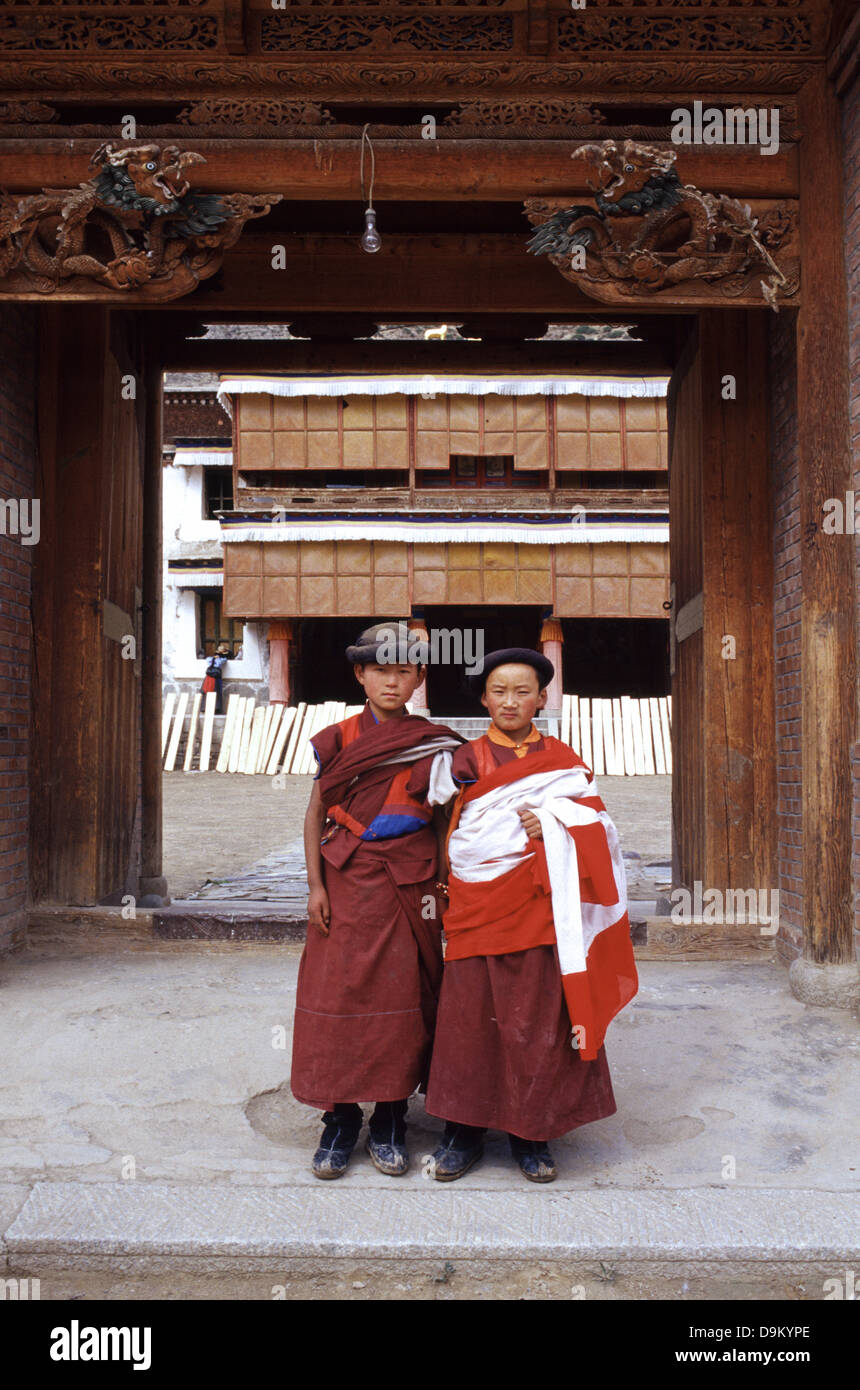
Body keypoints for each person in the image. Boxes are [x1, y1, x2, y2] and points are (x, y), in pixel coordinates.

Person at [425, 647, 638, 1183]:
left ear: (542, 699)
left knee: (537, 1019)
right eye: (499, 691)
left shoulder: (563, 761)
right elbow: (439, 828)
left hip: (542, 906)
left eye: (523, 691)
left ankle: (532, 1132)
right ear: (483, 698)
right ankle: (461, 1131)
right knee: (469, 1019)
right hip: (476, 902)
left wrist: (557, 821)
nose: (510, 701)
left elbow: (602, 826)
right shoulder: (463, 760)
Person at [290, 621, 462, 1180]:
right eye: (379, 670)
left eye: (403, 671)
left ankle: (391, 1119)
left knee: (403, 998)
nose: (392, 681)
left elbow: (441, 822)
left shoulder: (433, 742)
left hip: (409, 882)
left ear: (418, 677)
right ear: (360, 674)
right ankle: (338, 1120)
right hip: (345, 878)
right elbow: (316, 815)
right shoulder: (338, 738)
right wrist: (315, 887)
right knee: (337, 996)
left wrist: (443, 888)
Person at [201, 641, 232, 715]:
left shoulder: (209, 659)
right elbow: (229, 655)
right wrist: (226, 653)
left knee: (207, 691)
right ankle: (216, 708)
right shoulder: (221, 660)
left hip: (208, 678)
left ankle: (205, 708)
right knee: (216, 692)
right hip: (216, 678)